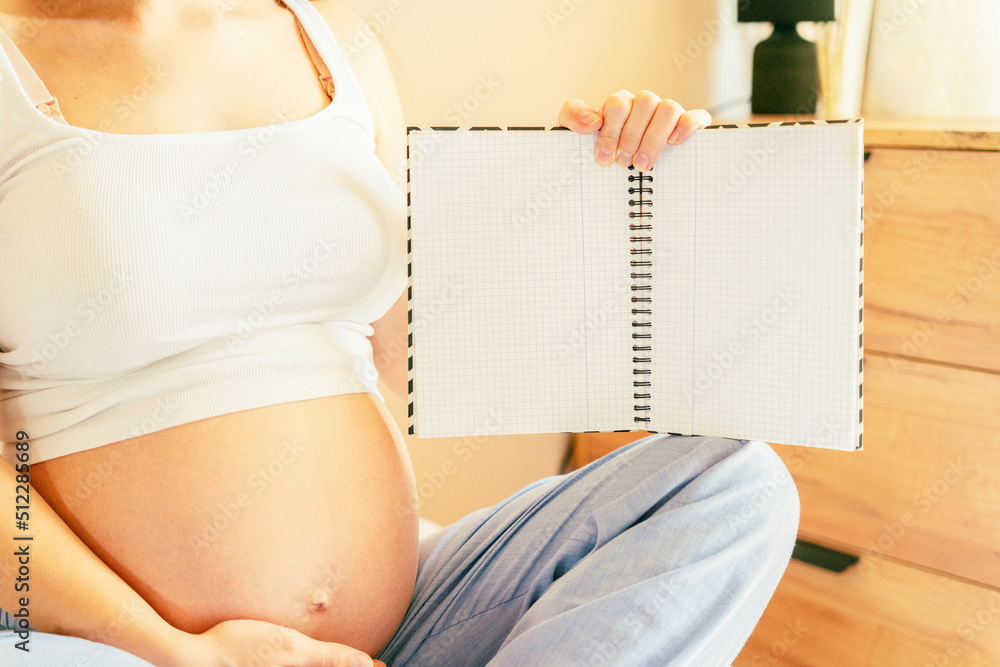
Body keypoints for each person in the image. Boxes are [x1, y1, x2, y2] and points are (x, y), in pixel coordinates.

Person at [0, 0, 800, 665]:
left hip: (402, 629)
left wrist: (595, 190)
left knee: (736, 486)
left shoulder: (331, 45)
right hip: (107, 639)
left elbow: (421, 354)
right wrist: (181, 651)